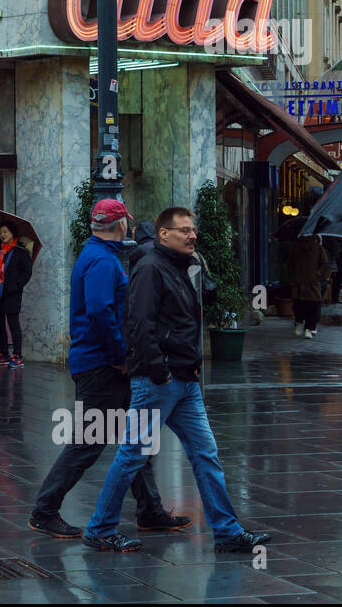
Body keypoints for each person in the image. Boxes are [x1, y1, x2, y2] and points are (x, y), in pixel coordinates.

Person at [82, 206, 270, 553]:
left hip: (185, 382)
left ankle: (227, 531)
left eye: (193, 230)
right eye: (184, 230)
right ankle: (100, 527)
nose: (192, 235)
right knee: (132, 455)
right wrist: (160, 371)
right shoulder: (151, 267)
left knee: (206, 454)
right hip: (159, 382)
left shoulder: (178, 265)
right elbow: (139, 324)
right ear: (163, 234)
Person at [29, 199, 186, 539]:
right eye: (126, 223)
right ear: (120, 225)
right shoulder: (102, 261)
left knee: (136, 437)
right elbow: (101, 312)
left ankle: (150, 511)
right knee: (89, 440)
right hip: (102, 366)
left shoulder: (96, 255)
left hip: (99, 362)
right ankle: (44, 509)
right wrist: (120, 356)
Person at [0, 221, 33, 367]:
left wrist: (16, 285)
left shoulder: (21, 251)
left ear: (12, 233)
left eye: (5, 232)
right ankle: (3, 354)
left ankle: (17, 355)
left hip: (12, 294)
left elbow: (27, 272)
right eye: (0, 233)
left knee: (13, 325)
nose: (2, 235)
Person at [289, 234, 329, 339]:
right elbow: (325, 263)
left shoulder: (296, 247)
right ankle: (309, 328)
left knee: (299, 304)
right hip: (313, 282)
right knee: (313, 306)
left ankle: (299, 322)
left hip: (300, 282)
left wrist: (295, 275)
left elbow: (290, 263)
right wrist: (318, 274)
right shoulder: (319, 249)